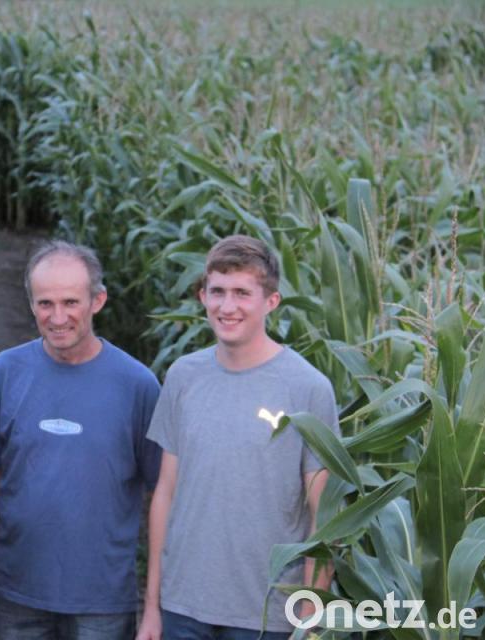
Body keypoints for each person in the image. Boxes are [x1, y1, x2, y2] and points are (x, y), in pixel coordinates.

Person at [136, 235, 339, 640]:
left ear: (271, 301)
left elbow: (326, 512)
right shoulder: (183, 377)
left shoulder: (308, 388)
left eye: (243, 293)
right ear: (203, 296)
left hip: (267, 615)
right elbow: (165, 494)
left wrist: (311, 611)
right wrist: (152, 607)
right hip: (183, 606)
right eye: (218, 292)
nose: (228, 307)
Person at [0, 240, 161, 639]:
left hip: (103, 603)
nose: (58, 317)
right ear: (31, 304)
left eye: (71, 302)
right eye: (45, 304)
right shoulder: (3, 375)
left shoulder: (138, 386)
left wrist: (154, 604)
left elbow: (162, 499)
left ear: (98, 300)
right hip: (14, 595)